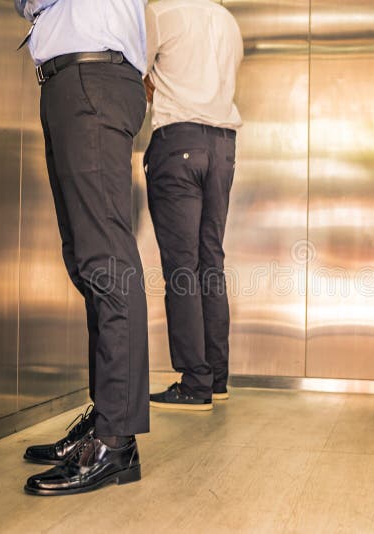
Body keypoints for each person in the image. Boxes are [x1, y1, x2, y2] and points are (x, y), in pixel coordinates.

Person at [14, 0, 150, 495]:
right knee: (87, 261)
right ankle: (106, 420)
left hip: (91, 77)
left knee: (106, 262)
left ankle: (116, 440)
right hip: (73, 80)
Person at [144, 0, 243, 411]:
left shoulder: (161, 12)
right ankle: (216, 377)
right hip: (223, 148)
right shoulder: (228, 20)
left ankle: (194, 382)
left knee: (182, 268)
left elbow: (136, 73)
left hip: (179, 142)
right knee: (210, 262)